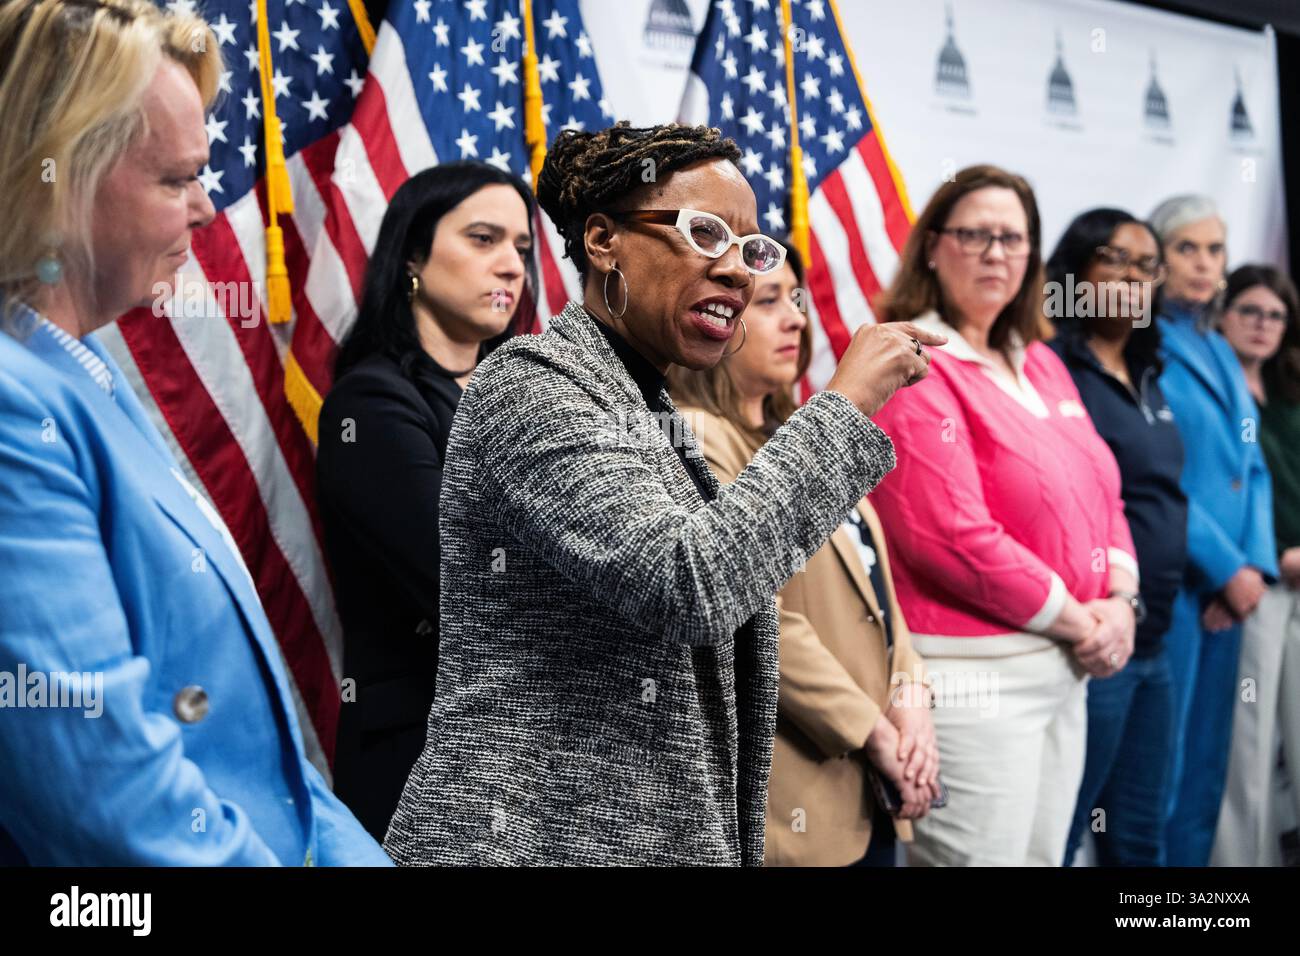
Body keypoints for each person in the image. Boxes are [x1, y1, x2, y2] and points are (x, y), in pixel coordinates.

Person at [382, 122, 944, 866]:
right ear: (604, 240)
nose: (740, 272)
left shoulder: (651, 411)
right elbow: (688, 584)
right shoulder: (528, 384)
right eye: (705, 232)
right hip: (530, 841)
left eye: (751, 249)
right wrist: (841, 406)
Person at [0, 0, 390, 866]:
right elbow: (111, 810)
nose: (211, 210)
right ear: (54, 178)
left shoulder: (82, 369)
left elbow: (276, 775)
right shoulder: (13, 404)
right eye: (178, 179)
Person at [868, 165, 1139, 867]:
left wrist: (1121, 598)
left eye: (1013, 238)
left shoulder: (1040, 360)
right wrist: (1082, 620)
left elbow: (1104, 487)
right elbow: (944, 536)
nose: (997, 252)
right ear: (932, 247)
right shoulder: (912, 357)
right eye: (976, 235)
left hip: (1064, 671)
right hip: (977, 681)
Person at [667, 238, 937, 867]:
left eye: (796, 297)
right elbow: (757, 615)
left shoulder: (796, 436)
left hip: (870, 785)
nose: (796, 317)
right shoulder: (696, 438)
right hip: (797, 791)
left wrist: (913, 702)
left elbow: (882, 604)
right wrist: (872, 731)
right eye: (767, 302)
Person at [315, 162, 535, 840]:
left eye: (522, 248)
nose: (510, 266)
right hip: (425, 767)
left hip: (530, 763)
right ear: (413, 253)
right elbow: (466, 586)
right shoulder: (372, 401)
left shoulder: (524, 396)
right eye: (483, 239)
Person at [1045, 208, 1187, 866]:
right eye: (1116, 258)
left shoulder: (1149, 368)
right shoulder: (1050, 366)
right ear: (1075, 271)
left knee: (1138, 836)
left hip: (1157, 640)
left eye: (1147, 265)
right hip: (1093, 642)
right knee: (1065, 832)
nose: (1134, 276)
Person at [1149, 195, 1278, 867]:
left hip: (1233, 593)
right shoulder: (1145, 343)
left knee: (1205, 769)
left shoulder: (1220, 348)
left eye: (1215, 249)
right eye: (1187, 249)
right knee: (1160, 774)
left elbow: (1251, 468)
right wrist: (1226, 567)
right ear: (1158, 257)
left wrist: (1251, 567)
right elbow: (1155, 474)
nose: (1204, 264)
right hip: (1181, 585)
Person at [1212, 264, 1300, 865]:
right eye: (1250, 311)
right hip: (1256, 584)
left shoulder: (1291, 393)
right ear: (1223, 314)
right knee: (1248, 741)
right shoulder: (1213, 390)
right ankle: (1245, 867)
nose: (1263, 325)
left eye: (1274, 315)